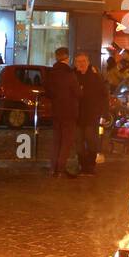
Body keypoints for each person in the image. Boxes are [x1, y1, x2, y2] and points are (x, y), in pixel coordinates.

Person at [45, 46, 81, 177]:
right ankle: (61, 168)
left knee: (56, 140)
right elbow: (78, 92)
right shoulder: (69, 74)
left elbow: (48, 91)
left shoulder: (51, 73)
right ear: (67, 57)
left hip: (56, 111)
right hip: (69, 112)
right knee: (66, 141)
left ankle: (52, 168)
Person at [75, 52, 109, 176]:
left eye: (83, 61)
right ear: (75, 63)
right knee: (78, 143)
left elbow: (104, 96)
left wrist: (104, 113)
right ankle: (82, 165)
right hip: (77, 116)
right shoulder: (73, 77)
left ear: (88, 62)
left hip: (91, 115)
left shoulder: (96, 78)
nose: (81, 64)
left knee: (91, 141)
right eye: (78, 61)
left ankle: (90, 166)